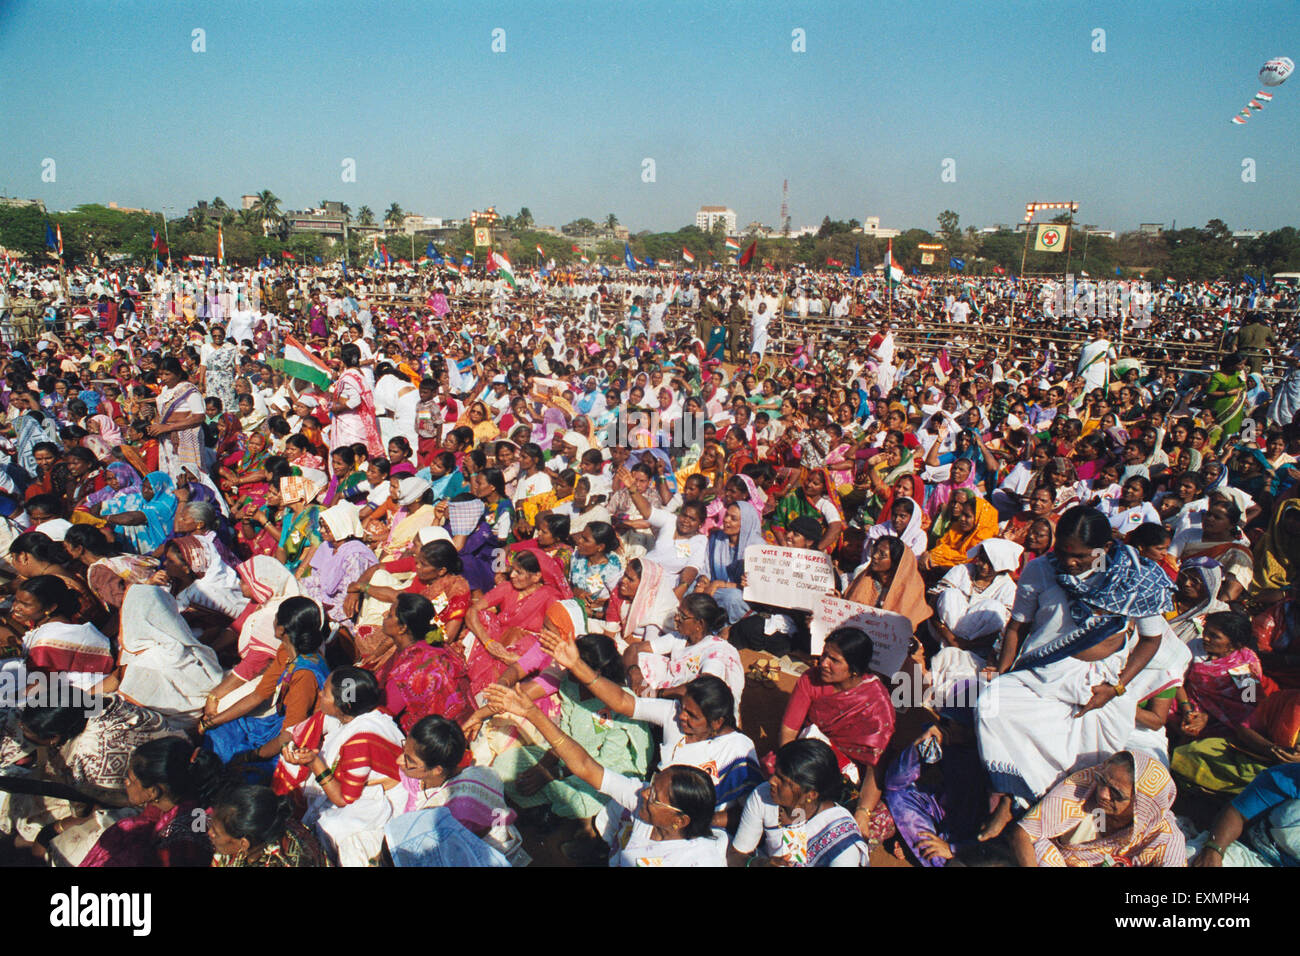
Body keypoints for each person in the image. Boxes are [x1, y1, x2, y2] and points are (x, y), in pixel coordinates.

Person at [976, 505, 1175, 834]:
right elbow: (1016, 628)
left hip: (1104, 683)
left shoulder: (1137, 575)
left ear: (1105, 549)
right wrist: (1003, 673)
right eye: (1063, 553)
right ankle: (1013, 801)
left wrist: (1117, 688)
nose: (1069, 563)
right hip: (1045, 672)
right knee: (991, 706)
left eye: (1080, 557)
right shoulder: (1040, 569)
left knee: (1088, 759)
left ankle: (1050, 823)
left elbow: (1151, 640)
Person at [483, 682, 726, 866]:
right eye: (652, 783)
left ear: (679, 821)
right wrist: (532, 713)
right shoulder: (644, 801)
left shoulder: (697, 860)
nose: (644, 791)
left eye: (654, 796)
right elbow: (585, 766)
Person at [275, 666, 404, 867]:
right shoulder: (370, 713)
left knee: (328, 826)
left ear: (343, 706)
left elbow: (343, 799)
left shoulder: (361, 741)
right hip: (365, 790)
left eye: (325, 692)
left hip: (382, 802)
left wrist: (314, 763)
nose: (319, 693)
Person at [386, 714, 524, 864]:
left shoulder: (455, 812)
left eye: (409, 760)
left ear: (437, 770)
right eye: (404, 751)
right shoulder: (422, 775)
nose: (399, 760)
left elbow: (450, 853)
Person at [1009, 751, 1185, 867]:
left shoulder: (1164, 836)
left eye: (1116, 792)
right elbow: (1023, 833)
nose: (1102, 794)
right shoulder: (1084, 786)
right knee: (1039, 846)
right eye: (1102, 781)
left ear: (1142, 805)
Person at [81, 737, 221, 867]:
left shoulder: (173, 841)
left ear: (153, 792)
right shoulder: (189, 802)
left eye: (130, 779)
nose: (125, 782)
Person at [730, 738, 870, 866]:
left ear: (811, 794)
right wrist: (759, 864)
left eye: (782, 780)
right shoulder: (764, 795)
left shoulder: (842, 844)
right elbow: (734, 856)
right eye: (775, 773)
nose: (772, 781)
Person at [374, 593, 473, 733]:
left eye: (390, 615)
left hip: (433, 741)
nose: (385, 617)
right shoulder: (430, 647)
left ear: (402, 628)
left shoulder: (412, 665)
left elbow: (384, 713)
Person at [209, 783, 329, 867]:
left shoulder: (290, 861)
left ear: (243, 844)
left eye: (216, 833)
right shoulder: (264, 826)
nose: (210, 833)